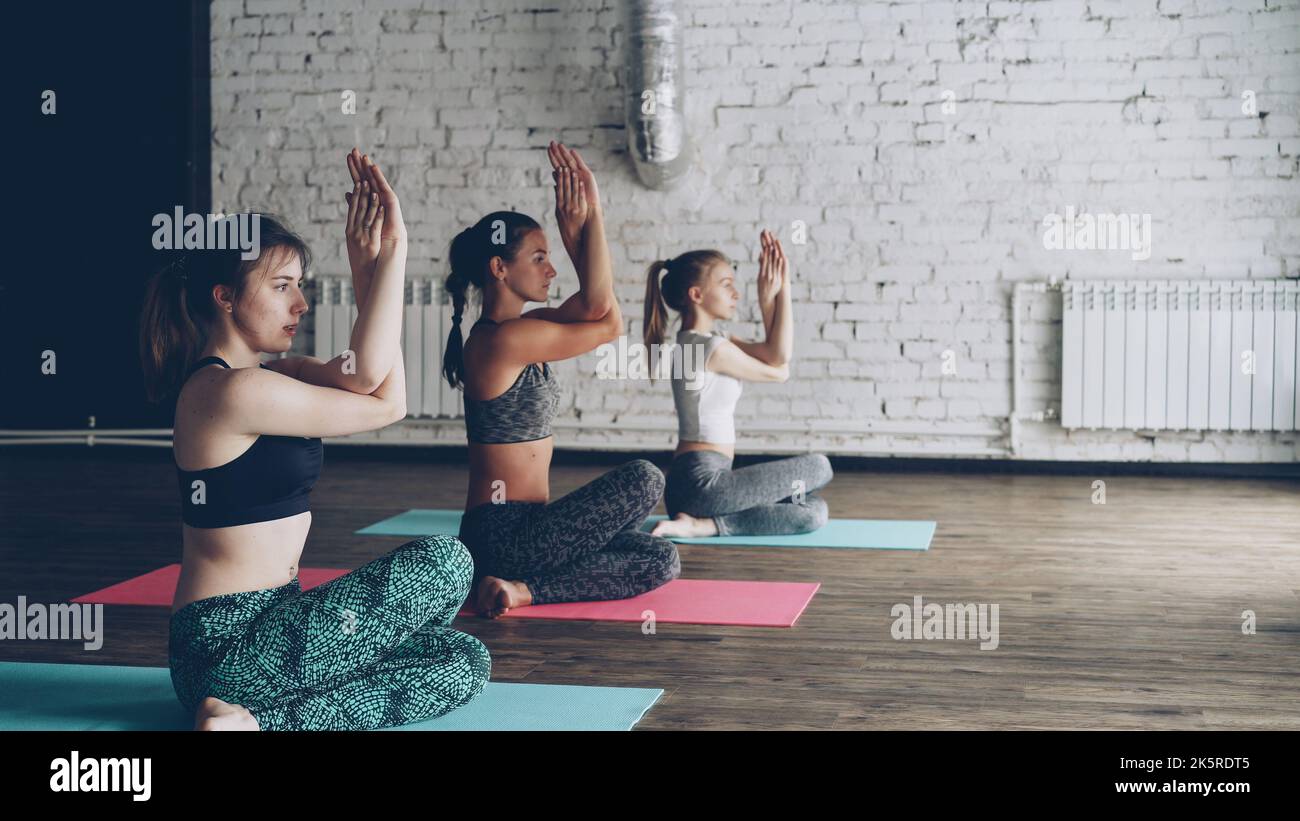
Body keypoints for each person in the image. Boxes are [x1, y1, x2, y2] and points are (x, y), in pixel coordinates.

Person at [140, 149, 488, 730]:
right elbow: (379, 405)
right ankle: (239, 707)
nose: (299, 303)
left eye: (299, 285)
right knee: (445, 561)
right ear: (224, 296)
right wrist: (396, 249)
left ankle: (250, 723)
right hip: (226, 647)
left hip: (282, 624)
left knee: (462, 661)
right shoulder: (227, 392)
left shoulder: (275, 376)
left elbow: (383, 394)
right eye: (281, 286)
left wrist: (370, 268)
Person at [446, 142, 680, 618]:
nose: (551, 269)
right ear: (499, 268)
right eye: (538, 257)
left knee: (661, 558)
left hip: (533, 532)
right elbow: (607, 322)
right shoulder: (499, 343)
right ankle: (512, 578)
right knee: (645, 478)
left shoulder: (523, 331)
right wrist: (588, 217)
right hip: (504, 534)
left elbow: (599, 307)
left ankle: (519, 591)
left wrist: (580, 232)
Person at [644, 230, 833, 539]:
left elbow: (774, 355)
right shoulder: (710, 349)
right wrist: (777, 292)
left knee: (811, 510)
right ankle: (703, 525)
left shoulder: (706, 343)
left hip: (695, 485)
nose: (735, 293)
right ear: (696, 294)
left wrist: (771, 296)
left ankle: (705, 524)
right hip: (703, 484)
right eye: (726, 284)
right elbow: (781, 367)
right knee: (819, 466)